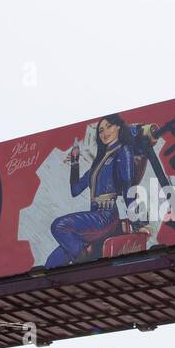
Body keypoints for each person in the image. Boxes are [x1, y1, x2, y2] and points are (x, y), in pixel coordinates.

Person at [45, 114, 152, 267]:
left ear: (119, 127)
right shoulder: (97, 165)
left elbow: (129, 188)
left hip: (106, 217)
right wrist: (75, 163)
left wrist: (138, 224)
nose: (104, 132)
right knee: (51, 264)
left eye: (109, 126)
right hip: (94, 219)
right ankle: (83, 258)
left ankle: (86, 264)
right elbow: (75, 190)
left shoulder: (123, 151)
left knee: (59, 225)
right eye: (100, 130)